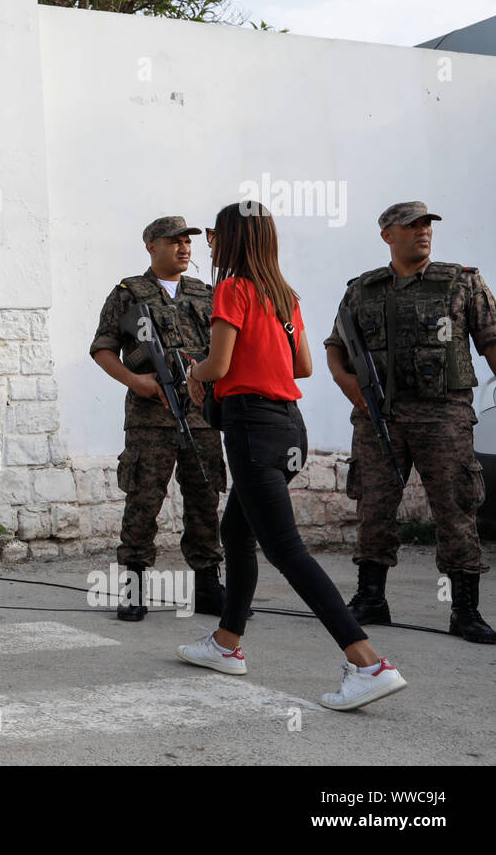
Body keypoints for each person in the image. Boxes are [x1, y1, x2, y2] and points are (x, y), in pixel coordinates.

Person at [179, 202, 406, 710]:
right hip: (288, 429)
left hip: (251, 427)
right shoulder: (286, 296)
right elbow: (303, 365)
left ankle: (367, 662)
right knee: (236, 532)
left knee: (286, 550)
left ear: (234, 240)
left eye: (219, 234)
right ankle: (225, 644)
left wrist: (194, 373)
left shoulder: (232, 289)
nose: (211, 241)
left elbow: (218, 364)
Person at [326, 201, 496, 643]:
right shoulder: (362, 289)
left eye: (427, 225)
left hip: (444, 416)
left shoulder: (462, 283)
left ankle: (465, 611)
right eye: (411, 226)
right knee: (374, 507)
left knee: (456, 508)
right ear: (388, 235)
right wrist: (351, 389)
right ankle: (370, 600)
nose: (422, 232)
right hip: (378, 416)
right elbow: (335, 348)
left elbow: (492, 342)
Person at [89, 216, 227, 620]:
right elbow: (103, 348)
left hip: (201, 415)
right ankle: (133, 587)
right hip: (151, 418)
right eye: (174, 242)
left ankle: (207, 584)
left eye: (187, 242)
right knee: (144, 501)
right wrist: (136, 380)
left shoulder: (206, 293)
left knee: (205, 497)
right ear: (151, 246)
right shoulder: (129, 293)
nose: (184, 248)